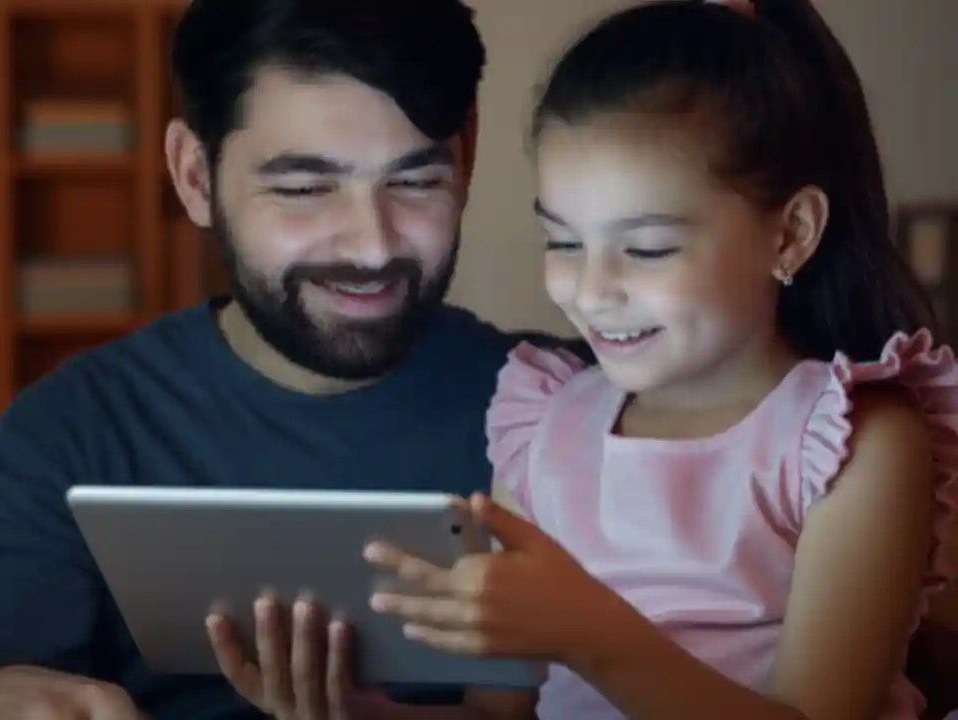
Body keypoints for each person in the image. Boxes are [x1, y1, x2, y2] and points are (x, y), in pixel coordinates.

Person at [0, 1, 585, 718]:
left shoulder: (574, 409)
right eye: (304, 189)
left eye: (414, 182)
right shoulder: (77, 428)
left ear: (466, 156)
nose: (372, 246)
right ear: (195, 175)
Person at [363, 1, 958, 719]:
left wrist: (589, 633)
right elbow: (498, 713)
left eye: (647, 249)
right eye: (564, 242)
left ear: (791, 234)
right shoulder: (542, 425)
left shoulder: (849, 444)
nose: (591, 291)